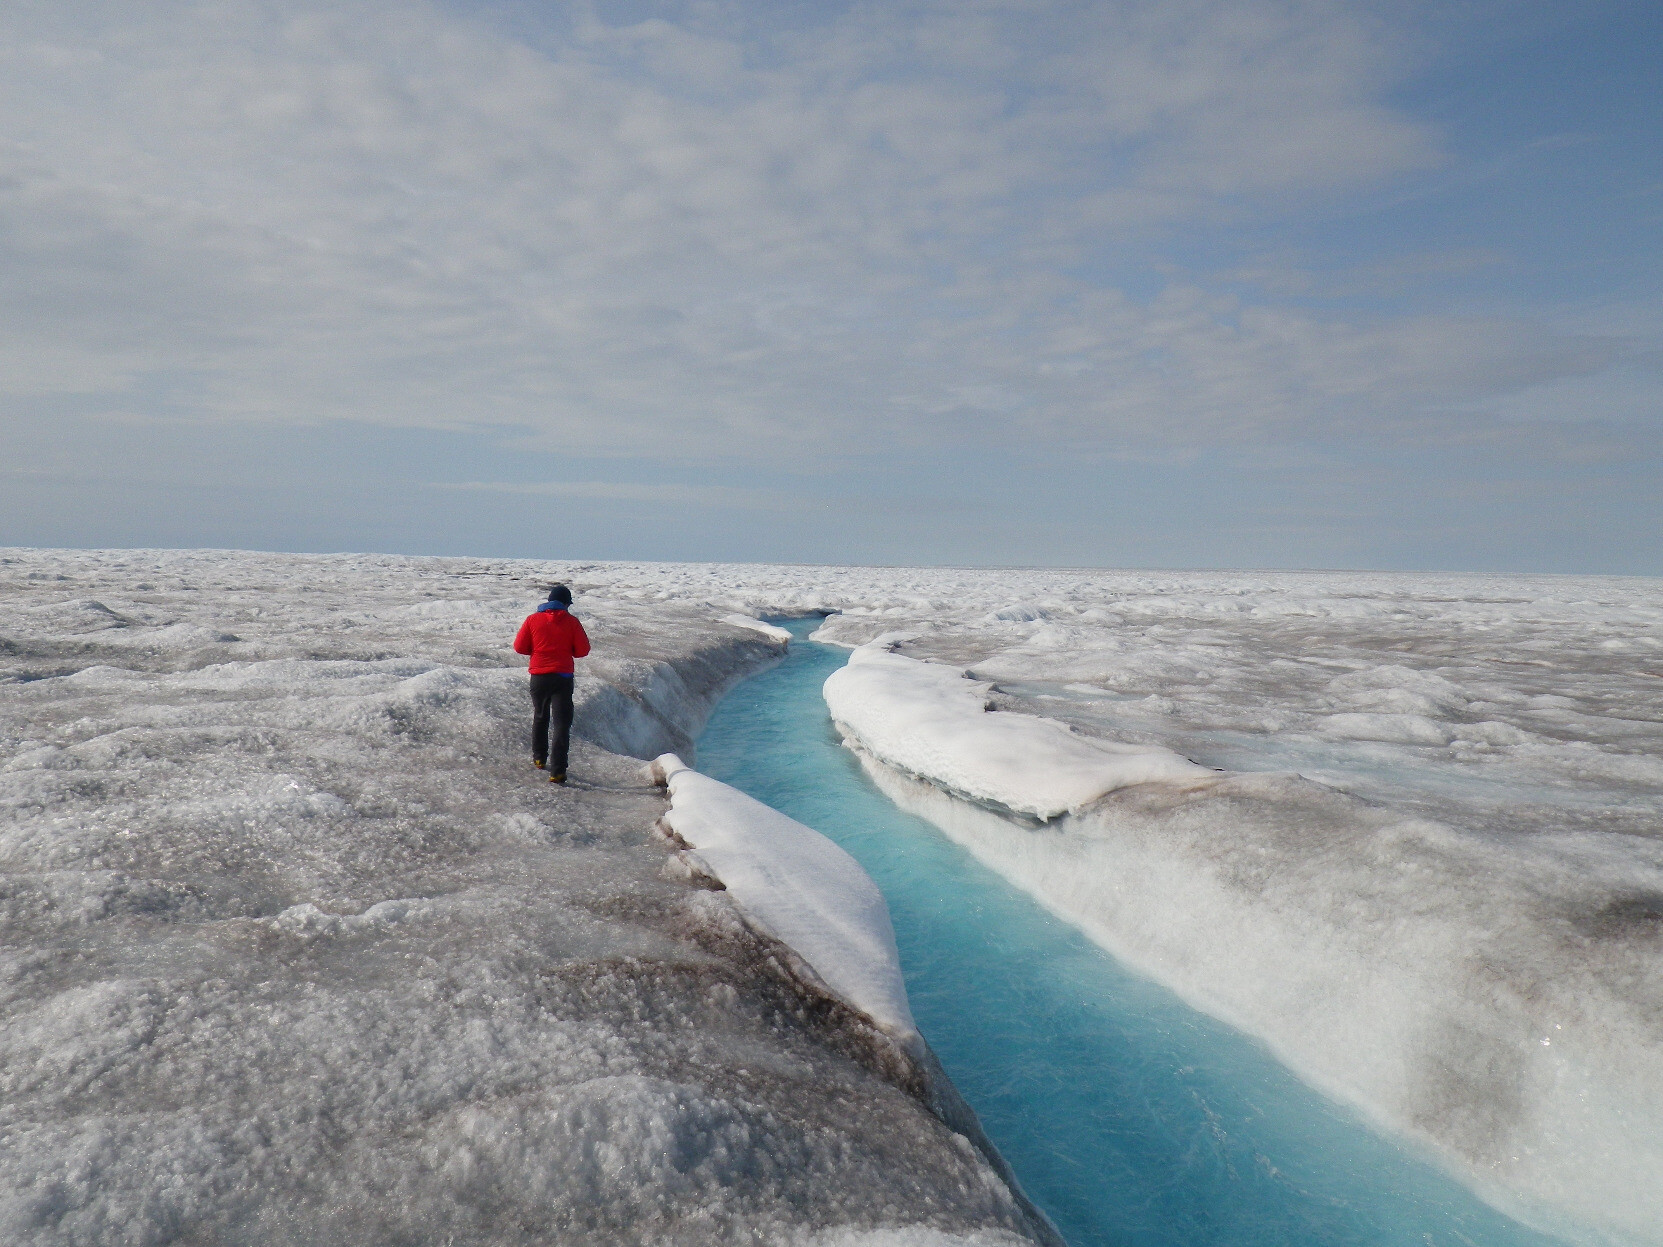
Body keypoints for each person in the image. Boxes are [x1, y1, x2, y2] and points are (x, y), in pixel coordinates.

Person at [513, 584, 590, 783]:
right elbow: (582, 650)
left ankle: (539, 758)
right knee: (561, 724)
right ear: (565, 603)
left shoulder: (532, 620)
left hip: (539, 677)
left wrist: (538, 650)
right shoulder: (572, 622)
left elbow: (519, 647)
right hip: (562, 677)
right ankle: (557, 770)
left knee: (540, 716)